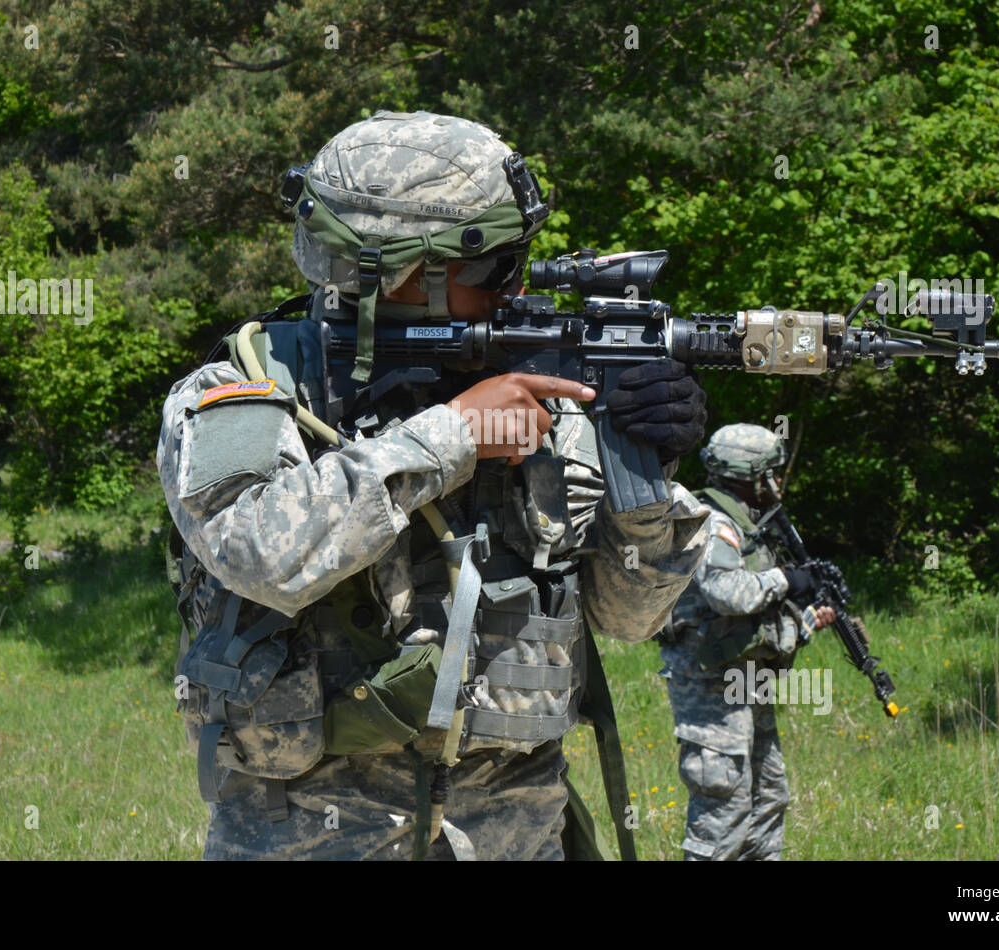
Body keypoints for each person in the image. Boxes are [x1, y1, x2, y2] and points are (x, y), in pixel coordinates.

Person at [156, 110, 710, 860]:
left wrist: (645, 476)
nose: (517, 289)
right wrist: (452, 436)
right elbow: (259, 553)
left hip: (512, 834)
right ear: (410, 275)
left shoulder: (536, 396)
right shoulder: (245, 393)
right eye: (499, 268)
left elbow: (629, 617)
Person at [658, 423, 835, 860]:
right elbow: (727, 594)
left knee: (769, 796)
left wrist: (804, 623)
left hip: (745, 682)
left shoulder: (749, 525)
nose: (776, 484)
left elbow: (752, 624)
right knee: (724, 809)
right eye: (771, 473)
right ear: (751, 476)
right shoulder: (714, 523)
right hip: (711, 690)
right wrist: (786, 579)